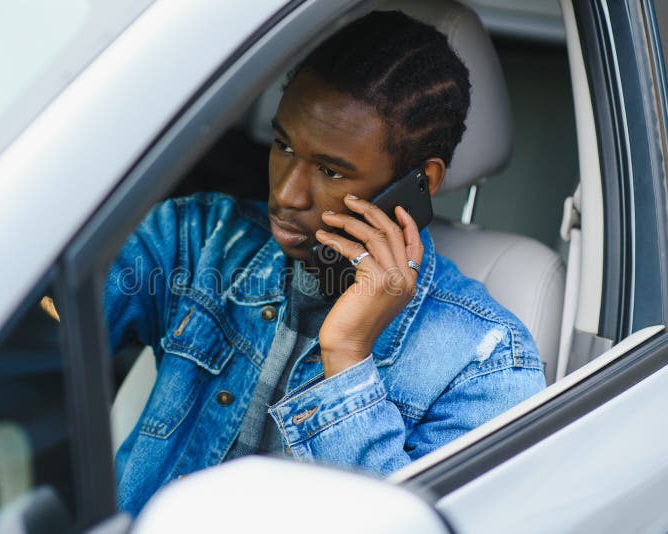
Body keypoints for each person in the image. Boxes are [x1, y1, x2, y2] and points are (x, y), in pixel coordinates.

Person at [105, 10, 545, 515]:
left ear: (420, 180)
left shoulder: (484, 360)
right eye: (283, 145)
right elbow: (42, 324)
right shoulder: (197, 240)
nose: (287, 194)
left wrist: (348, 356)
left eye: (332, 171)